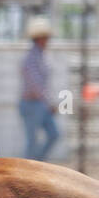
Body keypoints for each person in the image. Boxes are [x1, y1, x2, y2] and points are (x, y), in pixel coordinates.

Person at [19, 16, 59, 160]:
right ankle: (30, 168)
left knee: (54, 134)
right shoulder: (31, 57)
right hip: (32, 103)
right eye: (46, 37)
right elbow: (36, 85)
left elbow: (43, 84)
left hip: (40, 103)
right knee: (32, 141)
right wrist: (50, 102)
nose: (48, 40)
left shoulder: (43, 56)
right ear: (39, 38)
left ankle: (37, 163)